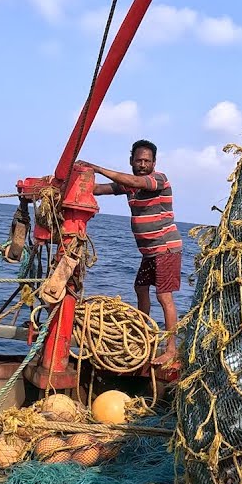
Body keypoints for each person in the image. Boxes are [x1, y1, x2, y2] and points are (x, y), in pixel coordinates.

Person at [85, 139, 181, 366]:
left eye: (147, 161)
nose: (142, 164)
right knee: (140, 288)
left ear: (154, 163)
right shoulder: (130, 186)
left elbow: (134, 180)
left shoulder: (158, 179)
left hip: (166, 248)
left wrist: (98, 168)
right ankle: (143, 336)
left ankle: (171, 349)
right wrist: (77, 180)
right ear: (131, 161)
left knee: (164, 297)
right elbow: (99, 189)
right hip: (149, 252)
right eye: (138, 160)